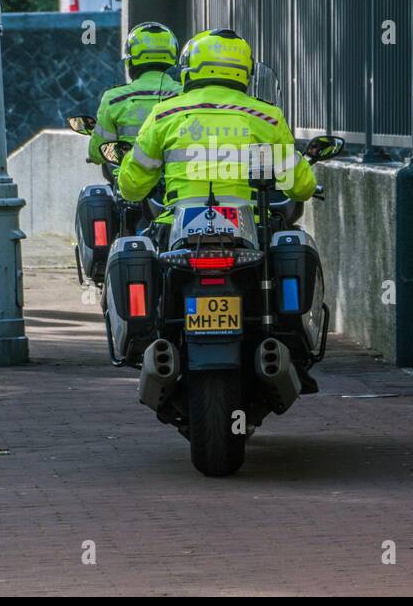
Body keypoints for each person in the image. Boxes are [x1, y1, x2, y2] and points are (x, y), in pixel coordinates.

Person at [117, 28, 319, 387]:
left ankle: (154, 336)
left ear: (190, 70)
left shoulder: (165, 115)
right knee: (289, 246)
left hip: (177, 231)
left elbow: (132, 187)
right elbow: (300, 185)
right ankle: (286, 340)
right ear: (245, 71)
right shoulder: (267, 117)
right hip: (248, 231)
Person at [88, 22, 182, 167]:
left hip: (127, 184)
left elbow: (97, 153)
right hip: (173, 180)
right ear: (173, 59)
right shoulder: (186, 95)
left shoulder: (114, 99)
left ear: (130, 62)